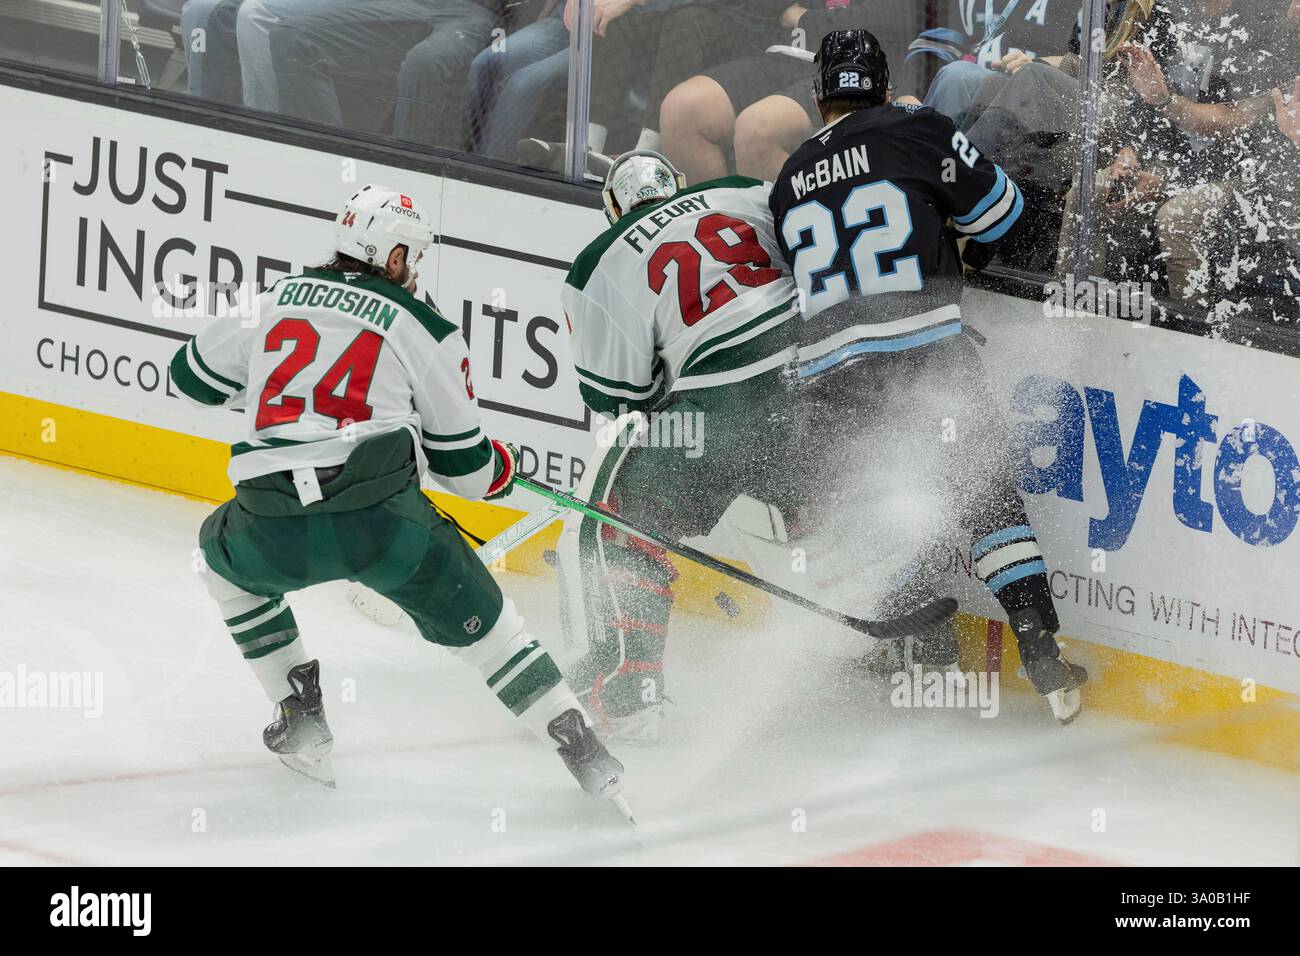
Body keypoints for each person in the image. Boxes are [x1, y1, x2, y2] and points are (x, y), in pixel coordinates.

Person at [168, 184, 631, 816]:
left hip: (272, 523)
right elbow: (464, 472)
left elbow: (189, 377)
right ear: (388, 257)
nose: (413, 271)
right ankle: (579, 743)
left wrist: (262, 392)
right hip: (386, 531)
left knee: (220, 567)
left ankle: (300, 713)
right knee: (495, 638)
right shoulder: (425, 328)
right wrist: (501, 469)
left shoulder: (273, 299)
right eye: (409, 257)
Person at [769, 30, 1087, 722]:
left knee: (882, 501)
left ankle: (925, 643)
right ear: (884, 85)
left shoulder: (790, 175)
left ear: (817, 94)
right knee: (988, 503)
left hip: (828, 374)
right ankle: (1040, 651)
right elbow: (1005, 218)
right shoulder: (917, 127)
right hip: (922, 352)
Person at [555, 151, 806, 743]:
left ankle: (626, 693)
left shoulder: (603, 256)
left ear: (612, 208)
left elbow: (621, 407)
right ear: (678, 185)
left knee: (611, 518)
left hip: (718, 412)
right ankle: (921, 643)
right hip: (817, 381)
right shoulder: (743, 190)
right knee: (841, 485)